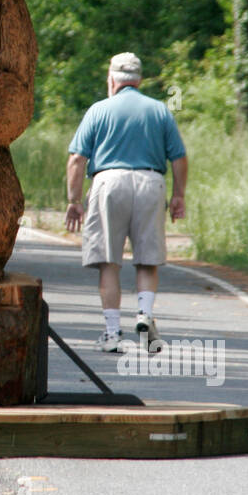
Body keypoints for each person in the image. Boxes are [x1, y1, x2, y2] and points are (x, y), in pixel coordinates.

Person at [65, 53, 188, 352]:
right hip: (150, 182)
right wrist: (178, 195)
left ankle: (112, 334)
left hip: (109, 183)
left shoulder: (98, 110)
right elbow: (179, 158)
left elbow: (77, 159)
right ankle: (144, 314)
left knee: (109, 261)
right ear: (139, 80)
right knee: (147, 259)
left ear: (111, 79)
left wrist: (74, 200)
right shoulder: (159, 110)